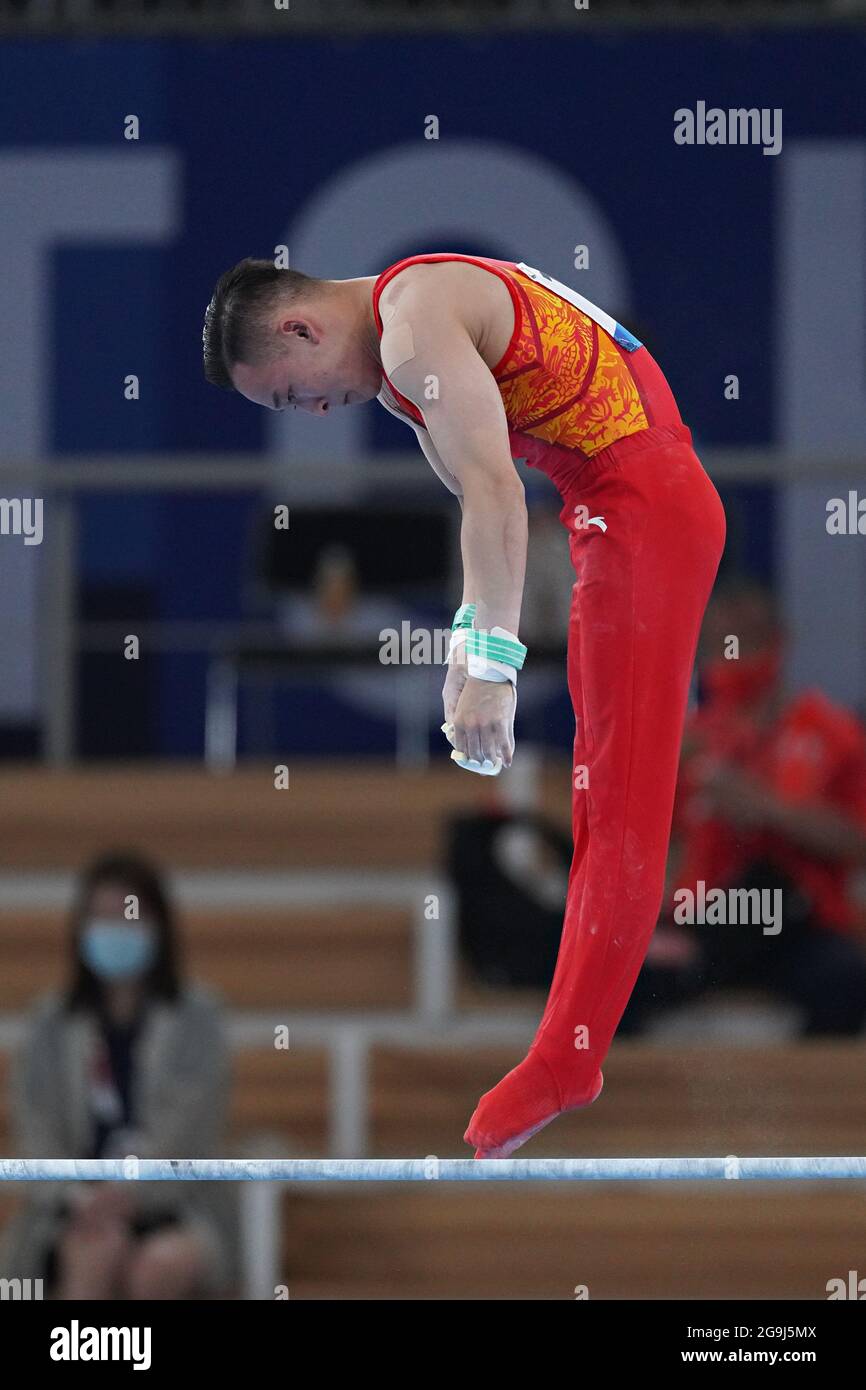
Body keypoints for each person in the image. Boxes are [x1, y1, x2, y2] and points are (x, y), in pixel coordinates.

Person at [202, 251, 726, 1155]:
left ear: (299, 328)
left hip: (641, 506)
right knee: (604, 795)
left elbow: (495, 494)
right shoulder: (407, 356)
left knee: (622, 802)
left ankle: (569, 1058)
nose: (313, 414)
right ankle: (569, 1050)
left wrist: (491, 664)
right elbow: (474, 497)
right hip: (618, 505)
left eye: (292, 396)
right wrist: (461, 651)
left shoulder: (413, 330)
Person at [621, 581, 866, 1036]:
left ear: (778, 644)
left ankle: (804, 1106)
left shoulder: (831, 732)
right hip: (705, 922)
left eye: (745, 642)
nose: (731, 657)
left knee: (844, 980)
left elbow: (856, 841)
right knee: (620, 982)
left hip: (798, 925)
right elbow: (635, 850)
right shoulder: (687, 740)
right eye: (717, 645)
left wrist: (769, 809)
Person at [0, 852, 232, 1298]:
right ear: (80, 928)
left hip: (175, 1206)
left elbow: (190, 1130)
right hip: (73, 1211)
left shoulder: (197, 1017)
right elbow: (36, 1131)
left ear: (158, 926)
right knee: (94, 1253)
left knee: (158, 1268)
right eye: (100, 917)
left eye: (127, 914)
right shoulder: (50, 1023)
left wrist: (128, 1193)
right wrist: (77, 1196)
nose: (114, 929)